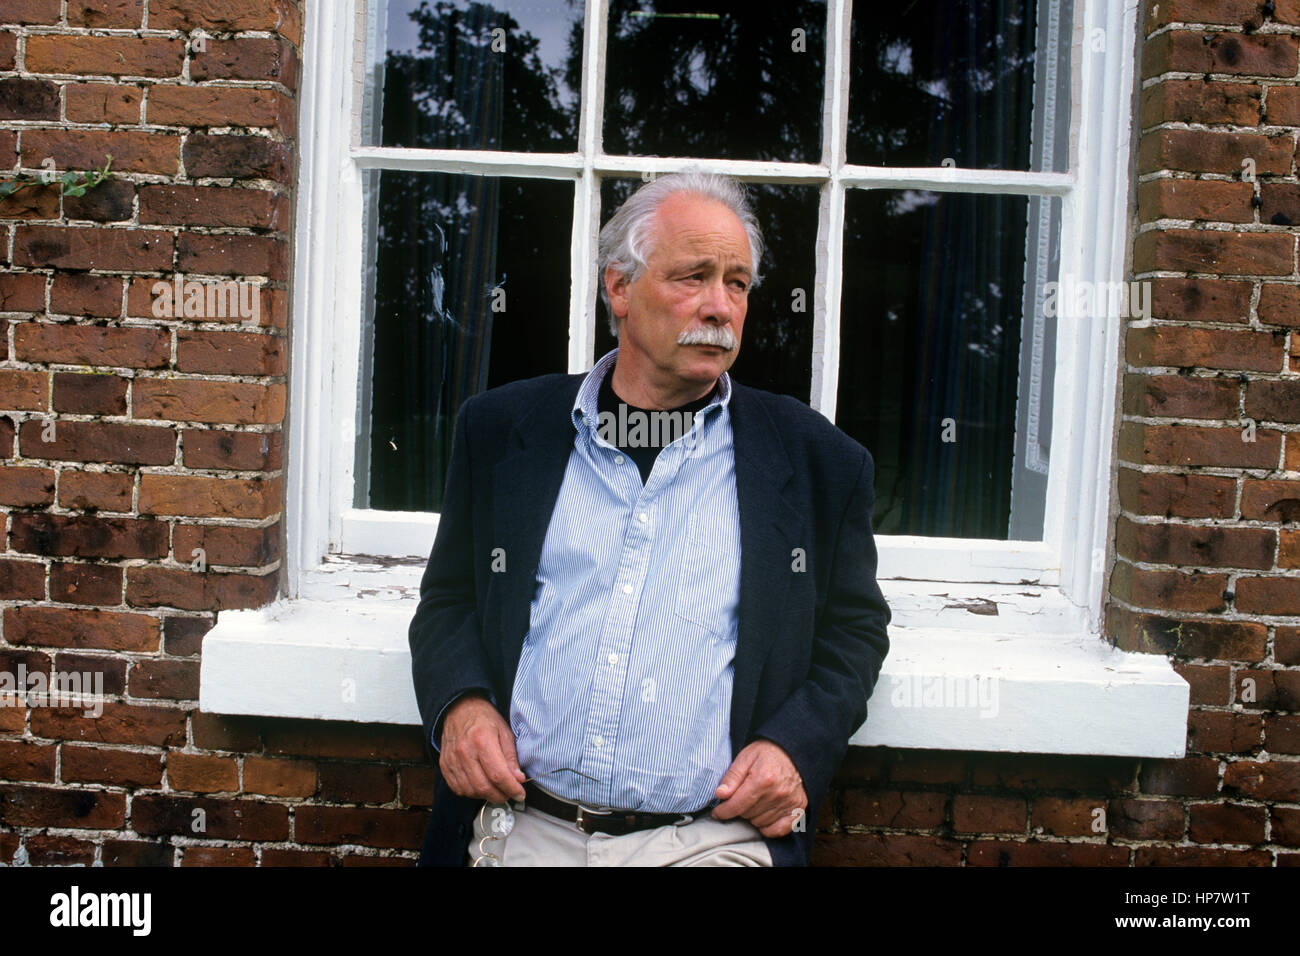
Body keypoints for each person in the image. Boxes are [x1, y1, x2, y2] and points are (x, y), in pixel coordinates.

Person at [409, 170, 890, 866]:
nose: (720, 307)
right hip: (524, 826)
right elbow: (450, 598)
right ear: (620, 288)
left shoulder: (819, 462)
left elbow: (854, 629)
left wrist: (794, 746)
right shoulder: (501, 431)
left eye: (737, 283)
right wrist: (462, 705)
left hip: (709, 840)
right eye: (693, 277)